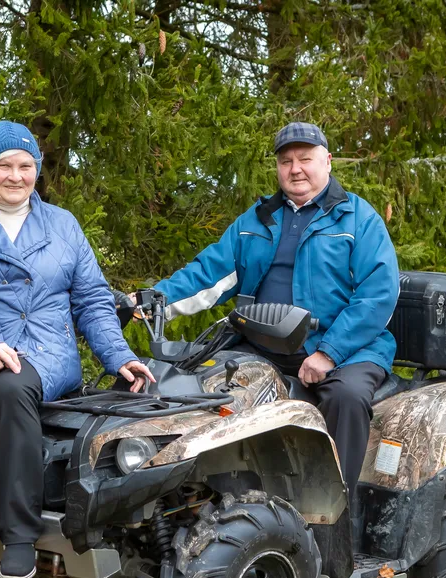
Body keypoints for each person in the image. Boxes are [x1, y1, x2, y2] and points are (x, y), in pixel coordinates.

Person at [0, 121, 155, 578]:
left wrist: (119, 356)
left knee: (13, 387)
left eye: (25, 165)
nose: (15, 176)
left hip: (42, 350)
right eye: (3, 165)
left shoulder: (63, 225)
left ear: (37, 170)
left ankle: (19, 535)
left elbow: (92, 300)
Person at [150, 122, 399, 495]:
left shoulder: (358, 219)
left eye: (305, 159)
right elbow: (209, 273)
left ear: (327, 161)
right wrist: (154, 300)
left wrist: (329, 353)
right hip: (262, 345)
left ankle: (335, 509)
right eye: (286, 161)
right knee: (204, 385)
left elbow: (378, 296)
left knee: (346, 398)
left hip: (347, 351)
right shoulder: (258, 219)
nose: (295, 169)